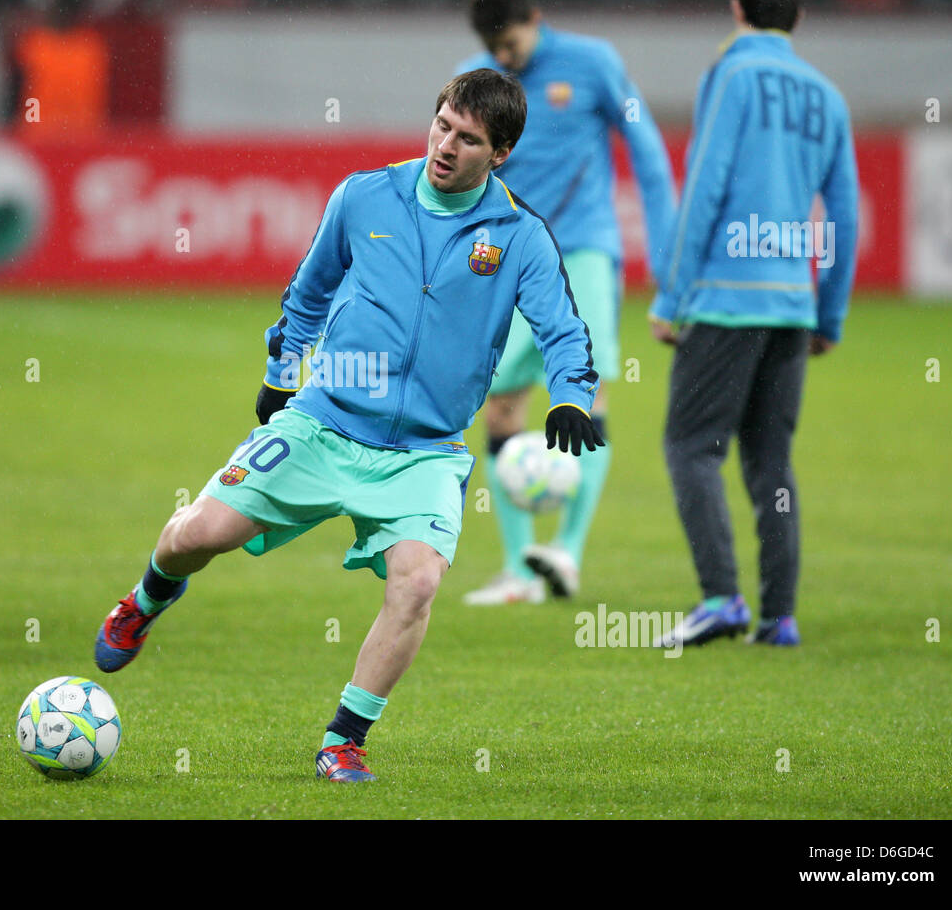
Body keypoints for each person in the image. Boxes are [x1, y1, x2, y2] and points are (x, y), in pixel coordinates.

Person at [93, 69, 604, 782]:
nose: (447, 146)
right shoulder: (366, 195)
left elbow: (562, 329)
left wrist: (571, 395)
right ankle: (145, 599)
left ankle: (344, 738)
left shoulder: (519, 237)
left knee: (418, 581)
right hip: (324, 421)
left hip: (423, 453)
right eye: (443, 126)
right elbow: (307, 291)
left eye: (469, 139)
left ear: (502, 153)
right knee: (194, 536)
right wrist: (281, 374)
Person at [652, 0, 858, 648]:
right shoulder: (827, 94)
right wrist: (827, 313)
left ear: (738, 10)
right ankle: (781, 615)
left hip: (727, 298)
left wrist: (673, 295)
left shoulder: (731, 73)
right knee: (770, 461)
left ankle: (720, 597)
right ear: (798, 16)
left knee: (690, 445)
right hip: (791, 303)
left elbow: (706, 183)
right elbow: (847, 215)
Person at [456, 0, 676, 605]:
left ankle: (568, 553)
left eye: (511, 43)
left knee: (585, 388)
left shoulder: (594, 64)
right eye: (492, 47)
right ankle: (520, 571)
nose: (503, 58)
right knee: (499, 404)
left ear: (536, 17)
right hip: (509, 254)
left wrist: (667, 256)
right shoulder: (475, 78)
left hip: (582, 248)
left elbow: (648, 151)